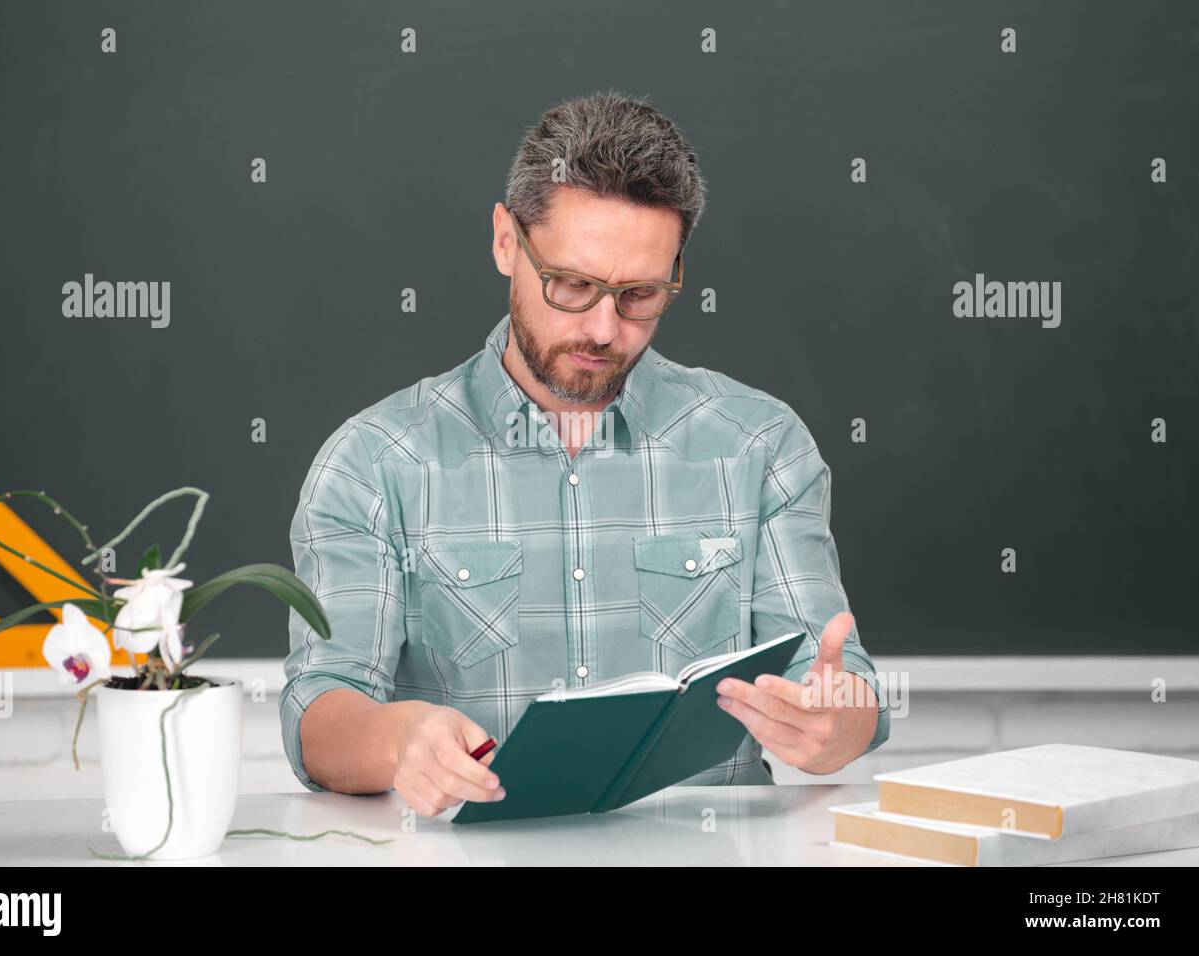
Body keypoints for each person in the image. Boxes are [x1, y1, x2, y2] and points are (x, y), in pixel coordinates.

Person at [280, 90, 890, 817]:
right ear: (507, 240)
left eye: (639, 294)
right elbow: (318, 712)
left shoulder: (759, 444)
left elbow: (838, 682)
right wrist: (397, 736)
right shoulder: (374, 462)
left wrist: (834, 724)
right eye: (572, 284)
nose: (604, 329)